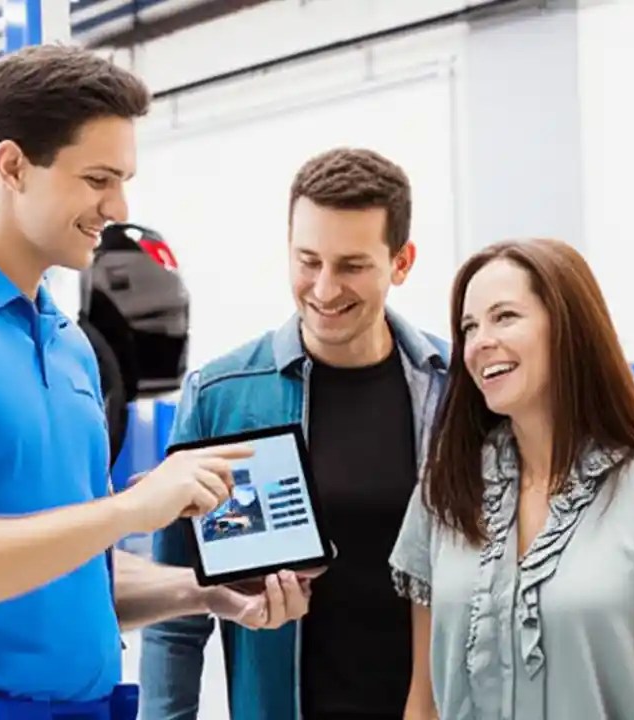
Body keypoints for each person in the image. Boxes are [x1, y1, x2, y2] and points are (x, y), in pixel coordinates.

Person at [0, 44, 312, 720]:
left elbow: (74, 569)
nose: (118, 205)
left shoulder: (70, 345)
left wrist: (202, 592)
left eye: (123, 180)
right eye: (97, 179)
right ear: (12, 166)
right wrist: (130, 510)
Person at [139, 147, 451, 720]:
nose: (325, 289)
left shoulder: (455, 394)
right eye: (309, 261)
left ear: (401, 263)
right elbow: (175, 615)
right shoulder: (221, 398)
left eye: (352, 266)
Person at [390, 238, 634, 720]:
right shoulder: (443, 492)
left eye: (504, 316)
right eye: (469, 326)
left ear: (569, 330)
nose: (480, 341)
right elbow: (424, 702)